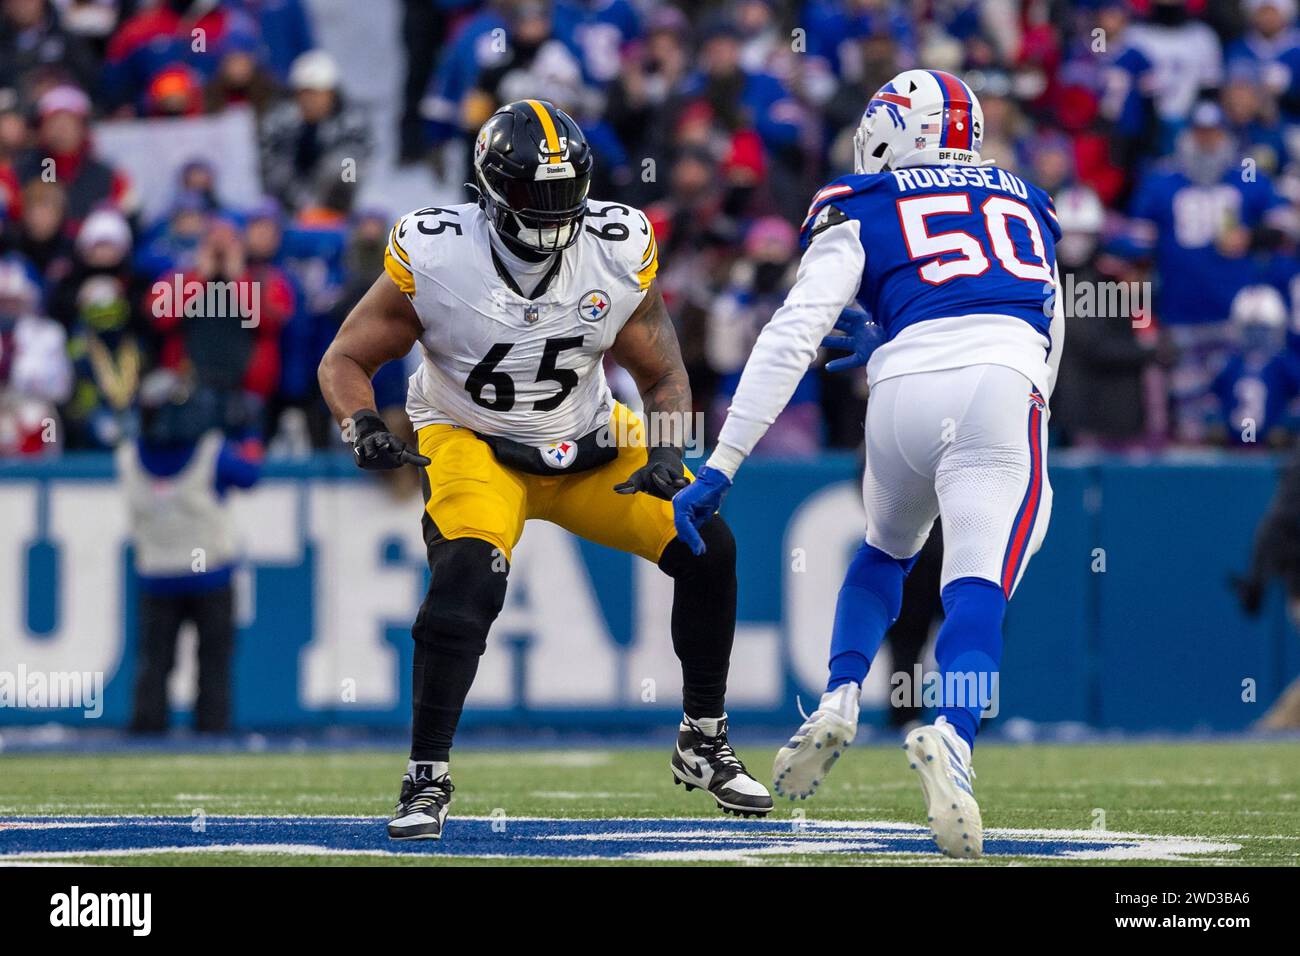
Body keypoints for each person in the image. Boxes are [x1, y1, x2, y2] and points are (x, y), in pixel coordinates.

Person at [317, 100, 773, 841]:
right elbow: (345, 357)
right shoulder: (436, 253)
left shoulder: (618, 244)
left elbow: (662, 370)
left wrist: (666, 452)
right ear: (491, 191)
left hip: (588, 438)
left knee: (707, 544)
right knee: (464, 583)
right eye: (536, 194)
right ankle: (426, 776)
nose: (555, 213)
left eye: (567, 194)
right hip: (474, 439)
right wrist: (361, 424)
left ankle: (703, 736)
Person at [674, 70, 1064, 859]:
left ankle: (839, 695)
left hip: (898, 393)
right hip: (1000, 380)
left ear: (892, 129)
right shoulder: (1029, 199)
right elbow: (1049, 325)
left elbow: (791, 333)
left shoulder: (858, 199)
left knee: (885, 553)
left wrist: (722, 462)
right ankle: (951, 734)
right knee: (978, 586)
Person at [119, 370, 261, 733]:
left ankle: (147, 732)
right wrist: (250, 432)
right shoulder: (211, 452)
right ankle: (211, 734)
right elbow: (250, 475)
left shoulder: (128, 456)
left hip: (156, 577)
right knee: (213, 664)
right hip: (210, 576)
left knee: (154, 664)